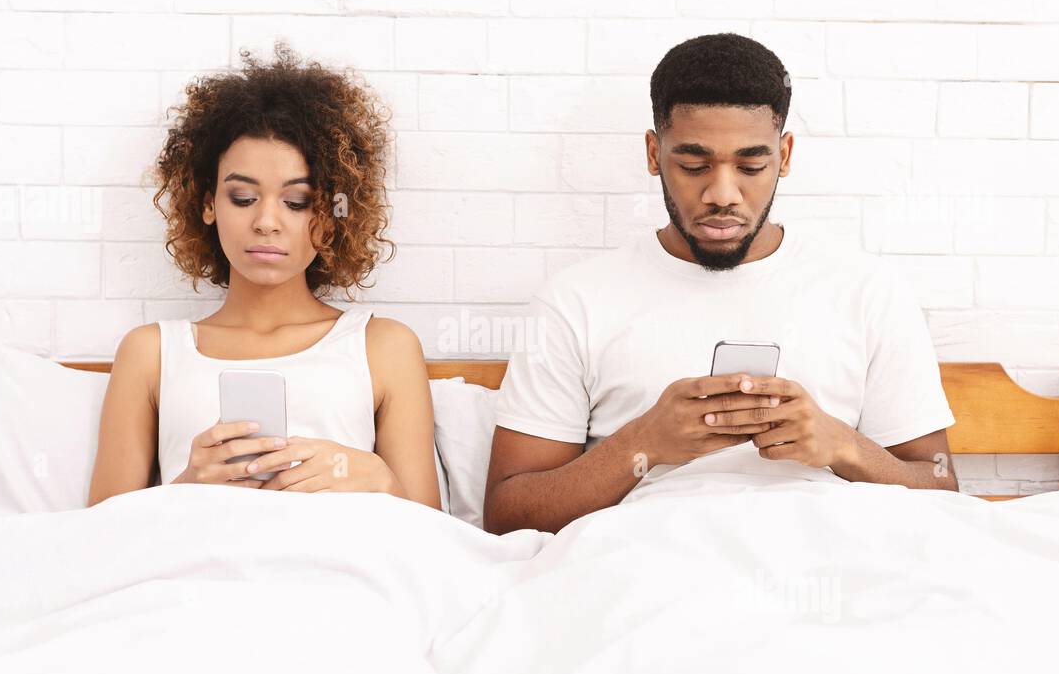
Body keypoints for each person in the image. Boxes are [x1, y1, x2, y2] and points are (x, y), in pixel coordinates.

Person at [484, 33, 957, 535]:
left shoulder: (867, 290)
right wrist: (643, 443)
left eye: (752, 165)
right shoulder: (575, 300)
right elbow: (507, 514)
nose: (721, 194)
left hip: (820, 558)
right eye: (693, 165)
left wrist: (844, 447)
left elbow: (942, 484)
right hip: (643, 567)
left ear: (786, 154)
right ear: (653, 153)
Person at [87, 45, 440, 509]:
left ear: (332, 218)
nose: (267, 222)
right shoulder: (149, 353)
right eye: (242, 197)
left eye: (296, 202)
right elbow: (100, 538)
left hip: (341, 573)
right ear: (209, 204)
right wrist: (186, 486)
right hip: (194, 574)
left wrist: (379, 479)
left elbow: (434, 541)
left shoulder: (384, 346)